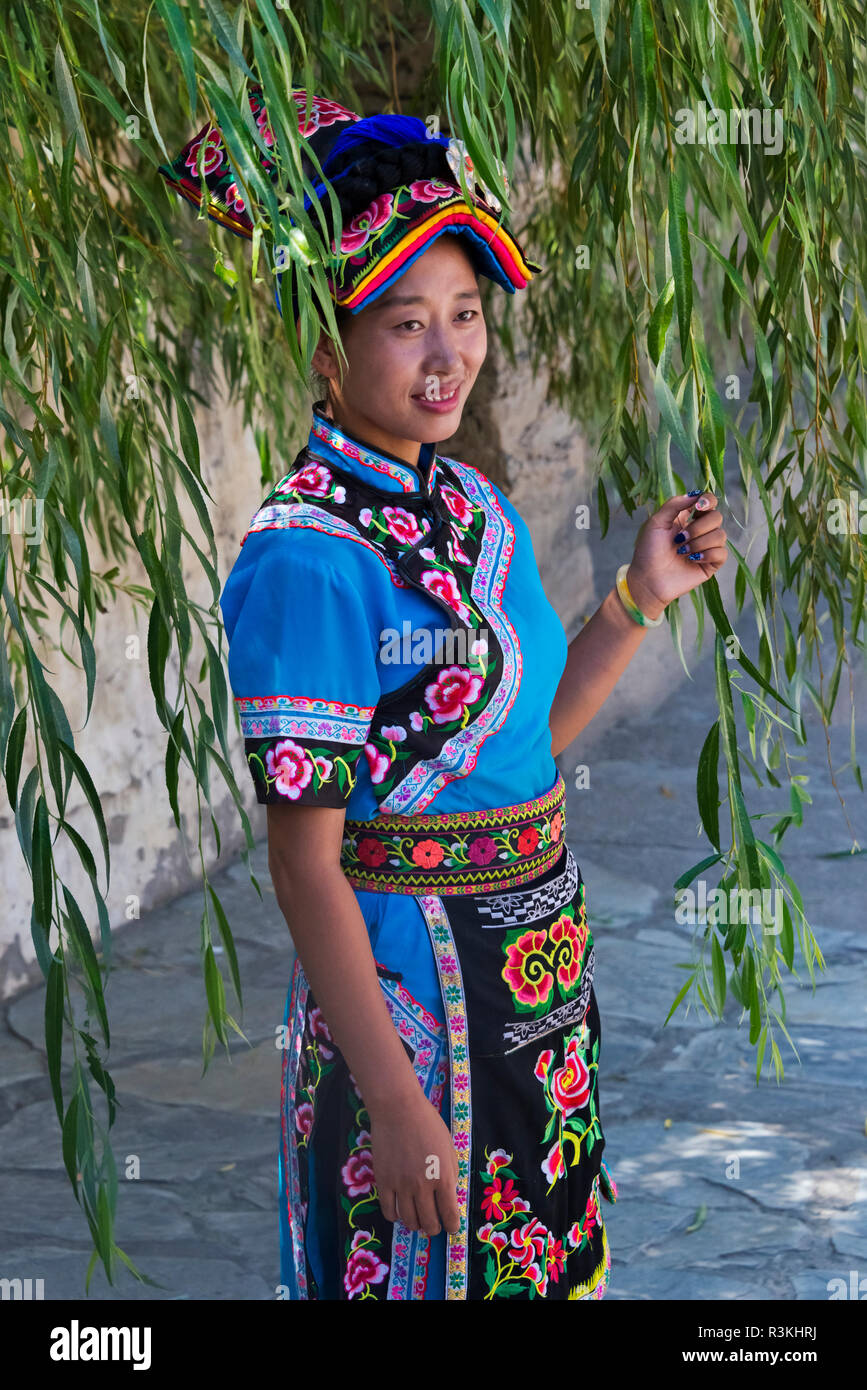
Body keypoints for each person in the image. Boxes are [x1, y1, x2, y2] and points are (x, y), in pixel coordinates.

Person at [160, 87, 728, 1301]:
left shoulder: (475, 509)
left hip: (530, 993)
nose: (447, 353)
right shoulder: (307, 557)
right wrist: (391, 1091)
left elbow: (526, 746)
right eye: (406, 322)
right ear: (327, 345)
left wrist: (638, 596)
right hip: (414, 1022)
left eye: (465, 315)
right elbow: (305, 861)